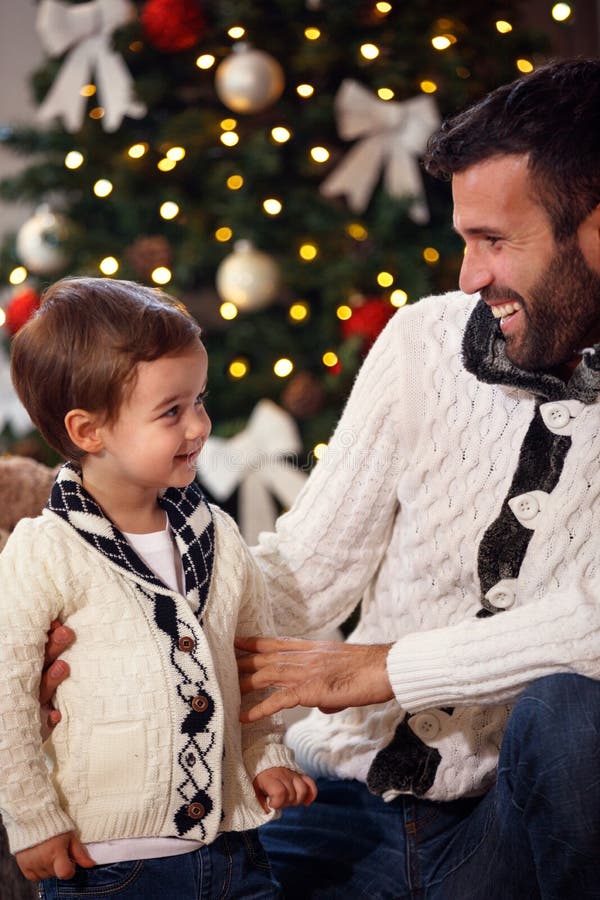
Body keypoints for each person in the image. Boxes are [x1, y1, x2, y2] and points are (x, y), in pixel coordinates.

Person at [41, 57, 600, 898]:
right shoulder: (424, 342)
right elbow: (302, 570)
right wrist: (120, 618)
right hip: (342, 800)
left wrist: (386, 668)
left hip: (507, 834)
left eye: (496, 241)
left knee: (573, 719)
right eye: (463, 241)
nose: (469, 276)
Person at [0, 277, 316, 900]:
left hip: (233, 852)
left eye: (199, 400)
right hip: (108, 868)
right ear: (90, 432)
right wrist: (32, 815)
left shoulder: (218, 537)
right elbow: (7, 692)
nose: (199, 426)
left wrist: (266, 754)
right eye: (171, 411)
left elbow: (248, 662)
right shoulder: (45, 550)